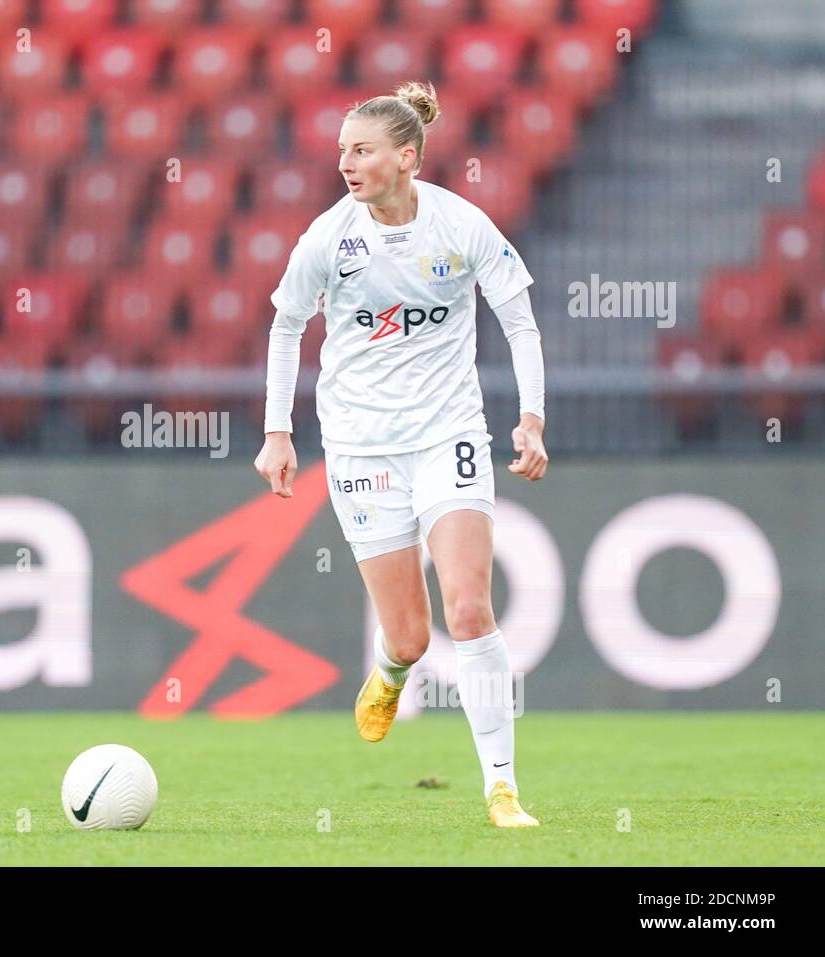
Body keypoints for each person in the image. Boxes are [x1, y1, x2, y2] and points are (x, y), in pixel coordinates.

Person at [253, 81, 548, 828]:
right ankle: (389, 670)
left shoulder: (461, 224)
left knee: (469, 608)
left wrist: (532, 418)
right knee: (412, 636)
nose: (345, 163)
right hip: (362, 446)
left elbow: (519, 321)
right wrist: (277, 432)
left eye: (361, 150)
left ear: (407, 157)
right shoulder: (328, 238)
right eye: (342, 150)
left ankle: (502, 788)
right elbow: (286, 326)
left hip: (450, 433)